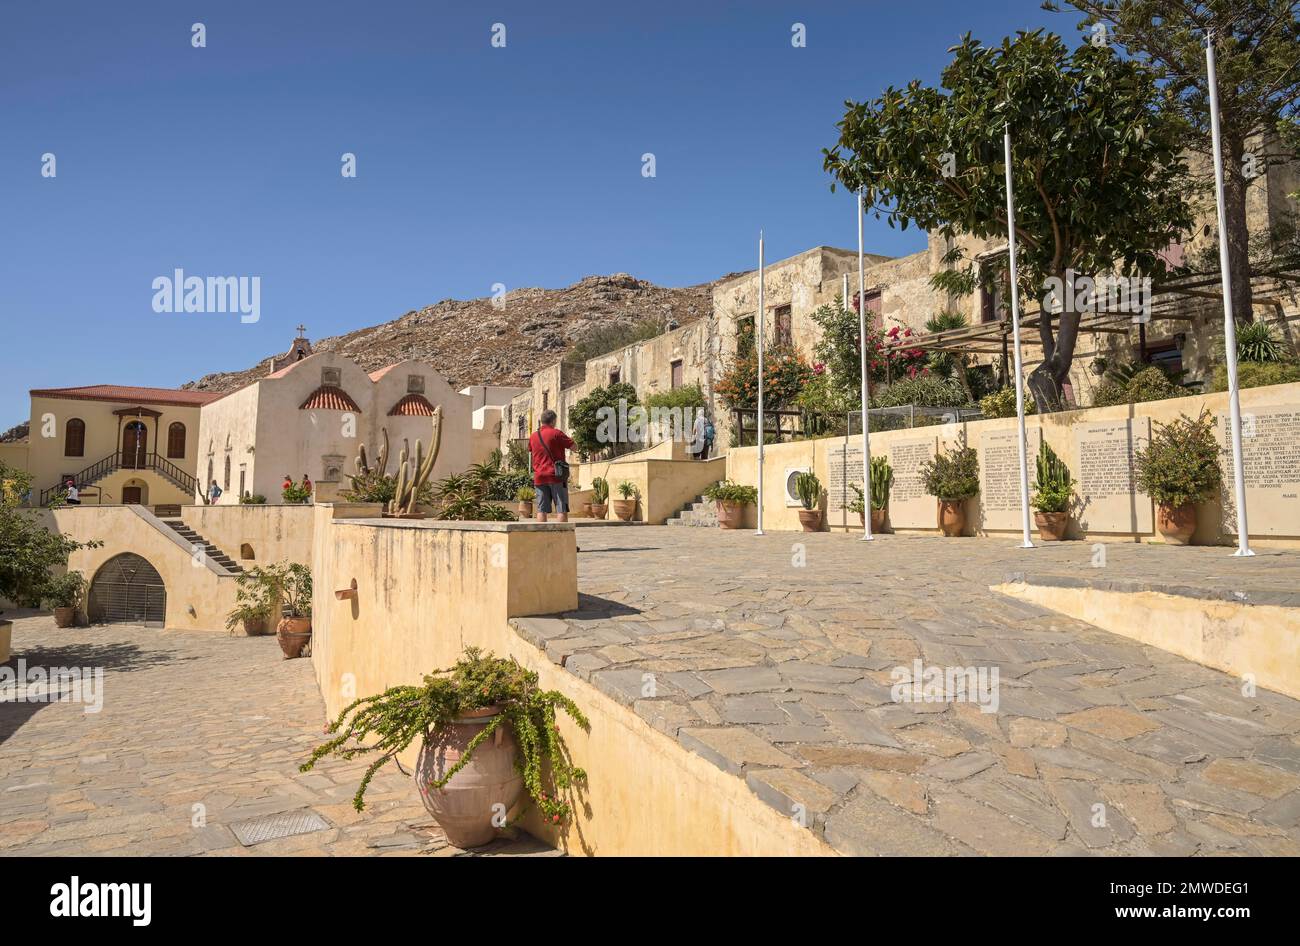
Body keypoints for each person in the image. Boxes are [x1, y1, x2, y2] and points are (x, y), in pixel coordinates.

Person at [529, 410, 574, 523]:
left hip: (539, 477)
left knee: (541, 510)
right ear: (553, 421)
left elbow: (530, 450)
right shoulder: (557, 433)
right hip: (556, 476)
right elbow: (574, 447)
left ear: (542, 421)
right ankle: (562, 536)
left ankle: (541, 536)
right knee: (561, 508)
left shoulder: (533, 436)